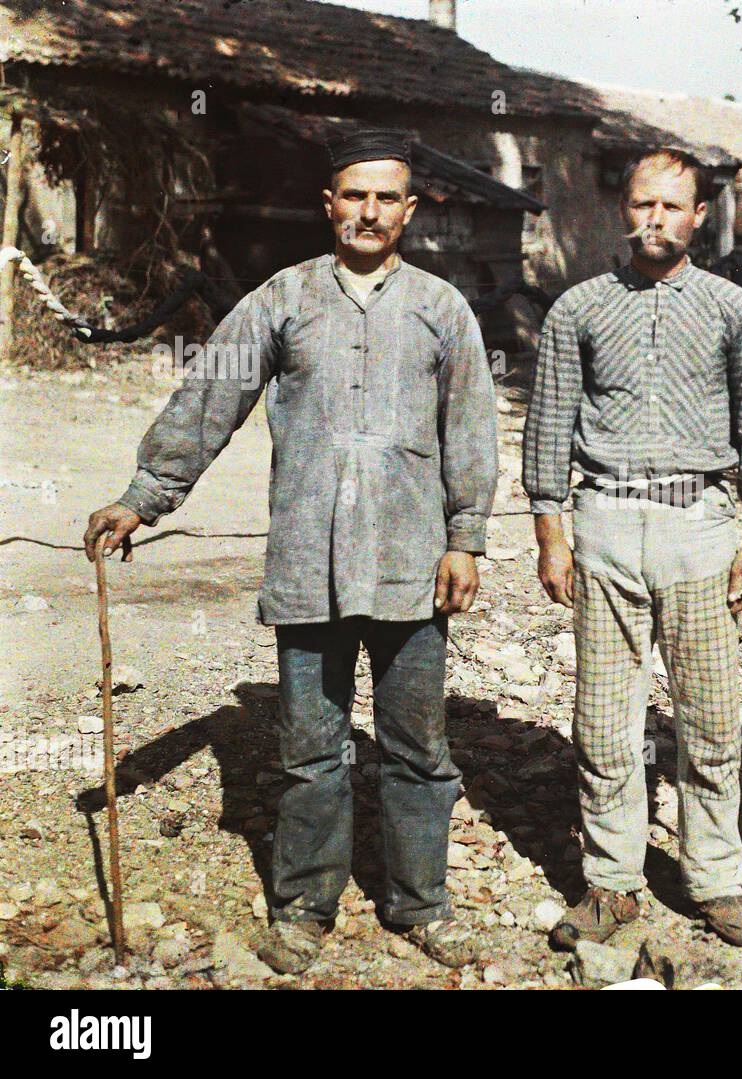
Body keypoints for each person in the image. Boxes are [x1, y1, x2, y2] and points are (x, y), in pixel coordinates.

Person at [82, 128, 498, 974]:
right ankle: (305, 906)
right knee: (311, 748)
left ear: (409, 211)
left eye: (387, 197)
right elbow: (211, 398)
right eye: (354, 194)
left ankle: (421, 903)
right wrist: (142, 499)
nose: (369, 211)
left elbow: (472, 432)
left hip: (412, 567)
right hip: (309, 563)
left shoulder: (442, 309)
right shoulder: (281, 299)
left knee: (418, 748)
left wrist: (466, 539)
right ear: (329, 203)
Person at [522, 148, 742, 950]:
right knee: (605, 721)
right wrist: (551, 533)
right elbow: (549, 428)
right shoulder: (579, 310)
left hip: (700, 527)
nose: (655, 220)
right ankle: (611, 881)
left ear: (699, 216)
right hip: (604, 524)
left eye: (672, 207)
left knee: (708, 717)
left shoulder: (734, 310)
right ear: (624, 210)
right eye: (642, 205)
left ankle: (713, 877)